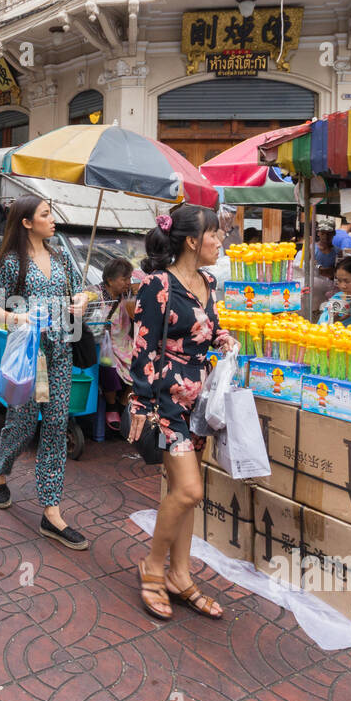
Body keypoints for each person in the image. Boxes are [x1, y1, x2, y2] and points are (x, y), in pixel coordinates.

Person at [128, 205, 238, 619]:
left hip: (198, 407)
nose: (220, 240)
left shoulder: (208, 281)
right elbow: (142, 347)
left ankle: (180, 574)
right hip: (166, 406)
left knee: (184, 496)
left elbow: (206, 327)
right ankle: (153, 569)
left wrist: (223, 339)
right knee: (190, 490)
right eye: (215, 234)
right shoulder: (158, 285)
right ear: (193, 240)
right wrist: (141, 404)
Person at [0, 196, 91, 549]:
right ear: (27, 222)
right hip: (31, 357)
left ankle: (51, 510)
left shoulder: (60, 255)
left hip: (61, 352)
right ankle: (0, 469)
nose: (52, 219)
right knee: (24, 422)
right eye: (46, 214)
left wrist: (82, 301)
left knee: (57, 424)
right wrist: (17, 317)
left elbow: (83, 291)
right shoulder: (14, 263)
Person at [93, 257, 139, 432]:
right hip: (101, 343)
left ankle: (123, 402)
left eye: (129, 278)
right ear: (110, 280)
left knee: (144, 363)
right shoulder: (95, 293)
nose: (128, 283)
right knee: (108, 363)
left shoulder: (128, 295)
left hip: (124, 342)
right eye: (124, 279)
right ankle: (111, 405)